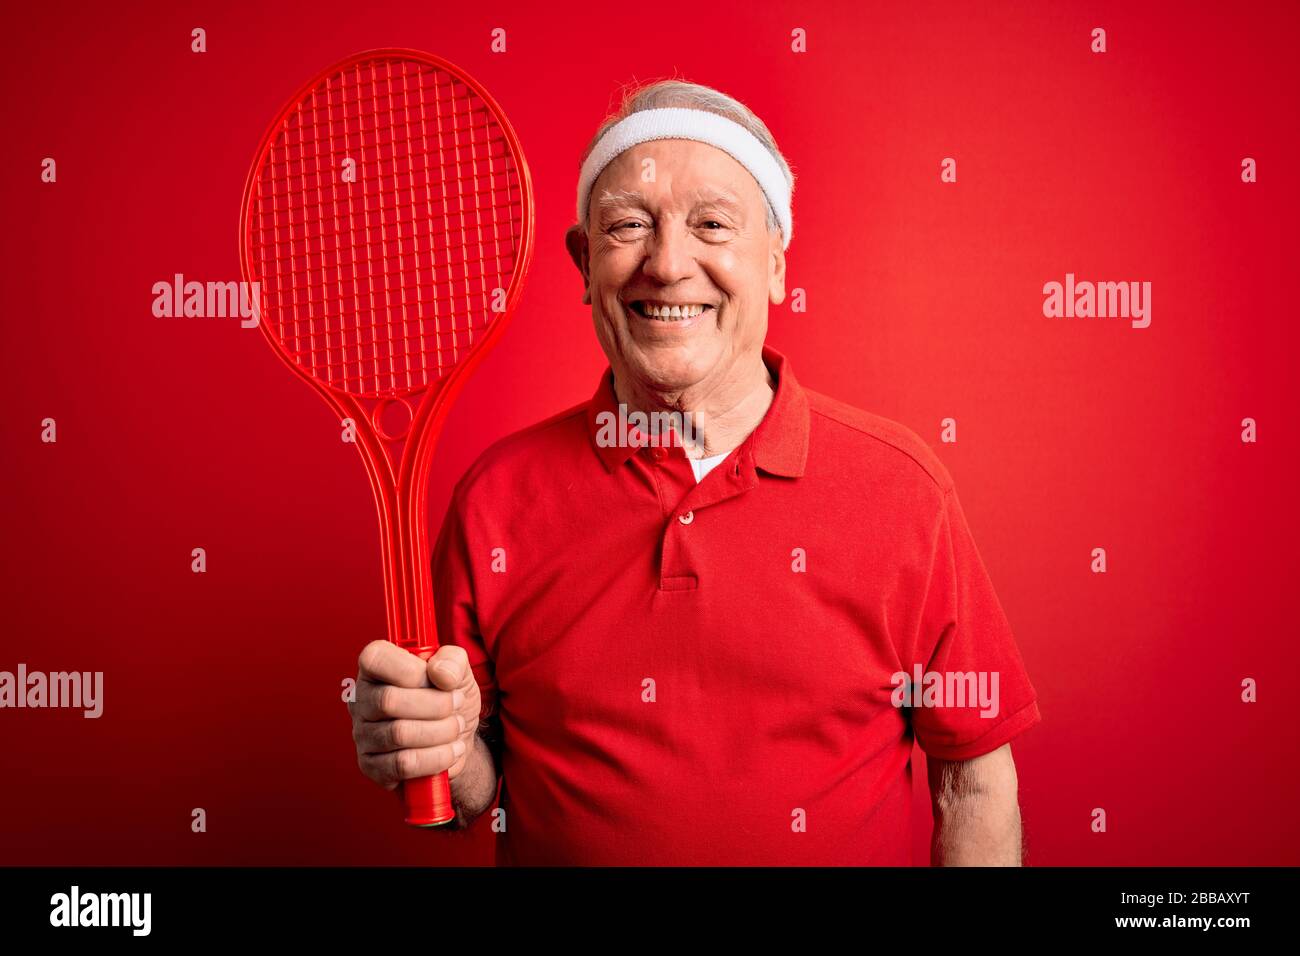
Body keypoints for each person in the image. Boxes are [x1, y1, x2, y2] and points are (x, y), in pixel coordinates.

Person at [348, 79, 1041, 865]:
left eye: (712, 224)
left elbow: (974, 784)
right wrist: (432, 747)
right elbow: (476, 790)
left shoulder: (905, 493)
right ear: (583, 264)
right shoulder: (495, 502)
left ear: (776, 263)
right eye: (629, 227)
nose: (668, 265)